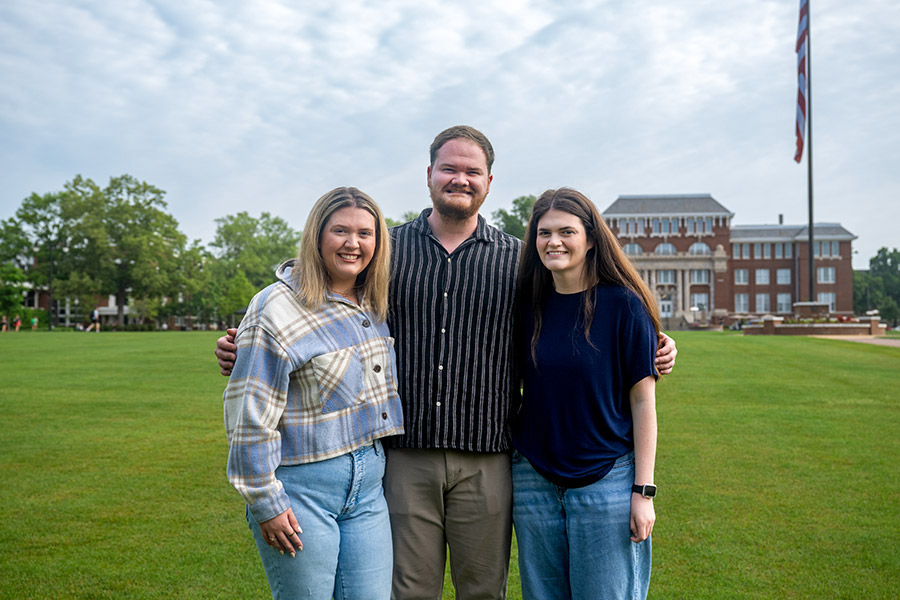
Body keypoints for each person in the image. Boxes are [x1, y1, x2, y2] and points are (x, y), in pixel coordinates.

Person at [217, 126, 678, 599]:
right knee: (410, 591)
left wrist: (652, 347)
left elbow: (576, 319)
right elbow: (324, 300)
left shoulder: (518, 262)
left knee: (482, 591)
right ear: (430, 175)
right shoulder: (386, 253)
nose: (460, 179)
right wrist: (249, 343)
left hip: (489, 458)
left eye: (472, 171)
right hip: (404, 458)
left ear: (489, 182)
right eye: (450, 168)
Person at [223, 187, 404, 600]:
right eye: (340, 230)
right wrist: (266, 501)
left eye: (365, 233)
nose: (353, 243)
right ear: (317, 236)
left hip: (369, 489)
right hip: (303, 490)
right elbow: (249, 412)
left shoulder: (373, 306)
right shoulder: (277, 307)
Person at [510, 188, 662, 600]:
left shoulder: (623, 305)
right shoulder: (527, 305)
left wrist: (642, 491)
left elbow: (643, 402)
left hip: (606, 483)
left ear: (591, 238)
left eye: (566, 231)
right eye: (543, 233)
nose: (553, 241)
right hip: (533, 482)